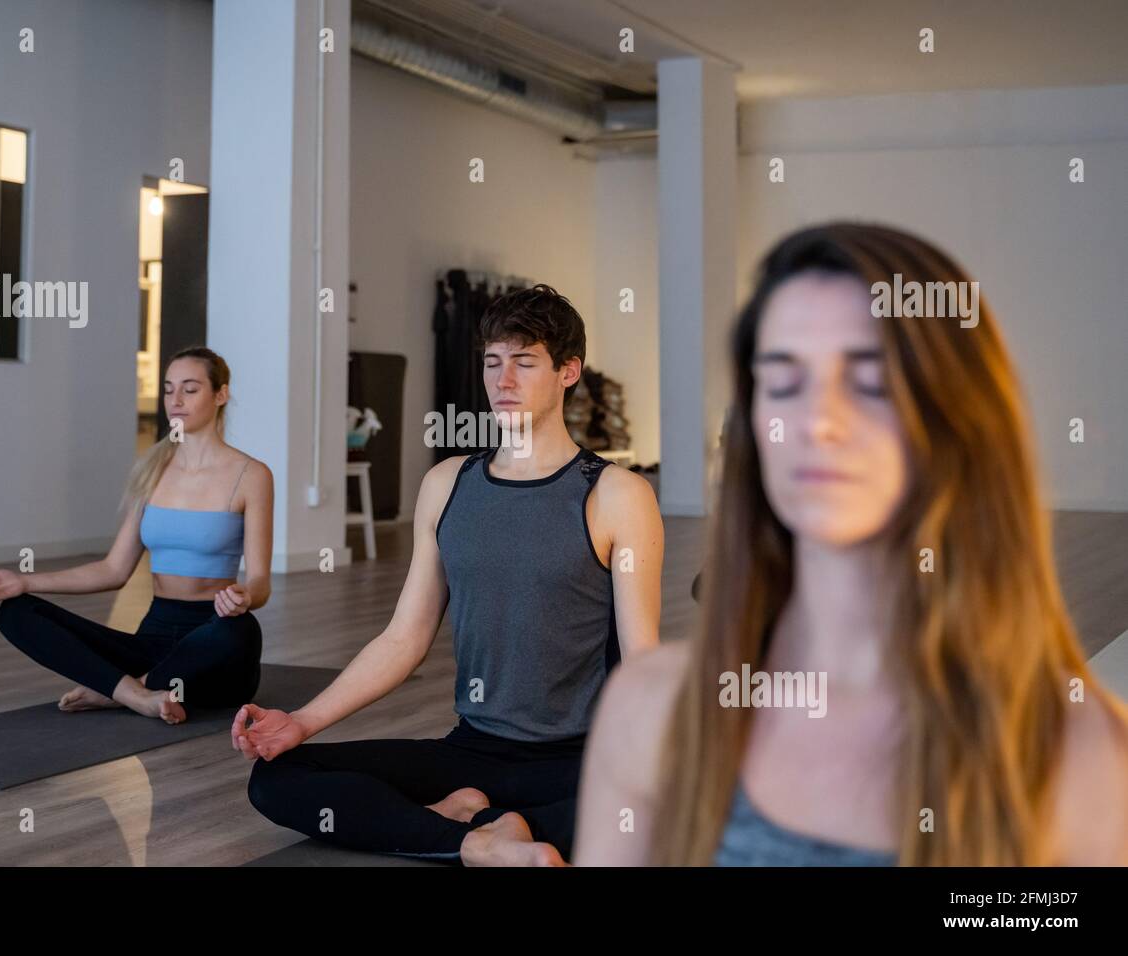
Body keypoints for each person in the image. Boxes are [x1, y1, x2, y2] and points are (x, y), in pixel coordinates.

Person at [574, 222, 1128, 866]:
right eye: (783, 383)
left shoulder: (1076, 753)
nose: (819, 421)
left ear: (957, 422)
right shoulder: (651, 711)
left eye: (870, 383)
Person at [236, 284, 663, 865]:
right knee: (275, 777)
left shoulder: (616, 494)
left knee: (656, 812)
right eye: (492, 362)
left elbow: (642, 662)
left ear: (568, 371)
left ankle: (468, 818)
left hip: (581, 760)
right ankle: (482, 837)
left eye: (524, 362)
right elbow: (404, 638)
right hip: (471, 750)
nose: (502, 380)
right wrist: (301, 722)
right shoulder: (448, 484)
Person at [0, 346, 273, 725]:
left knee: (240, 630)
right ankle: (135, 693)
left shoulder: (252, 475)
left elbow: (261, 582)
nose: (175, 400)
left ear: (220, 394)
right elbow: (114, 570)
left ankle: (116, 690)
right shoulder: (152, 469)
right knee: (16, 613)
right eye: (168, 389)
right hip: (152, 641)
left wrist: (245, 595)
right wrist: (22, 581)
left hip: (215, 647)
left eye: (190, 389)